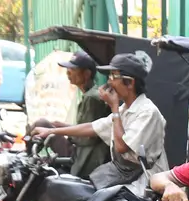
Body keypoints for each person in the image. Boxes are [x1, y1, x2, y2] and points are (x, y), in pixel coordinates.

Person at [33, 52, 168, 193]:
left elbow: (122, 147)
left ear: (129, 82)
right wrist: (51, 131)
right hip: (124, 176)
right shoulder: (124, 110)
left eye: (113, 76)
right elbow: (92, 127)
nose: (109, 82)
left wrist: (114, 108)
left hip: (144, 185)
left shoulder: (147, 112)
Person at [33, 51, 111, 179]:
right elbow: (87, 127)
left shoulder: (92, 98)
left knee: (41, 125)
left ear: (87, 74)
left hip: (86, 157)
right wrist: (61, 126)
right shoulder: (89, 95)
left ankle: (27, 157)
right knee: (44, 124)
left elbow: (88, 137)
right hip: (80, 150)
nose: (68, 72)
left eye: (73, 69)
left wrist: (60, 131)